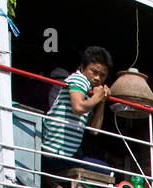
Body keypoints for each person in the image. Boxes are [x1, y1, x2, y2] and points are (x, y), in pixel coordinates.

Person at [43, 47, 113, 180]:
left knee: (103, 169)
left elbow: (94, 130)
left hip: (64, 156)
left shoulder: (88, 93)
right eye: (94, 72)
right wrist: (97, 98)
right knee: (105, 170)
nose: (97, 78)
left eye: (102, 75)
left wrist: (102, 101)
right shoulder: (79, 79)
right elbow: (78, 107)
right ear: (82, 67)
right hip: (55, 155)